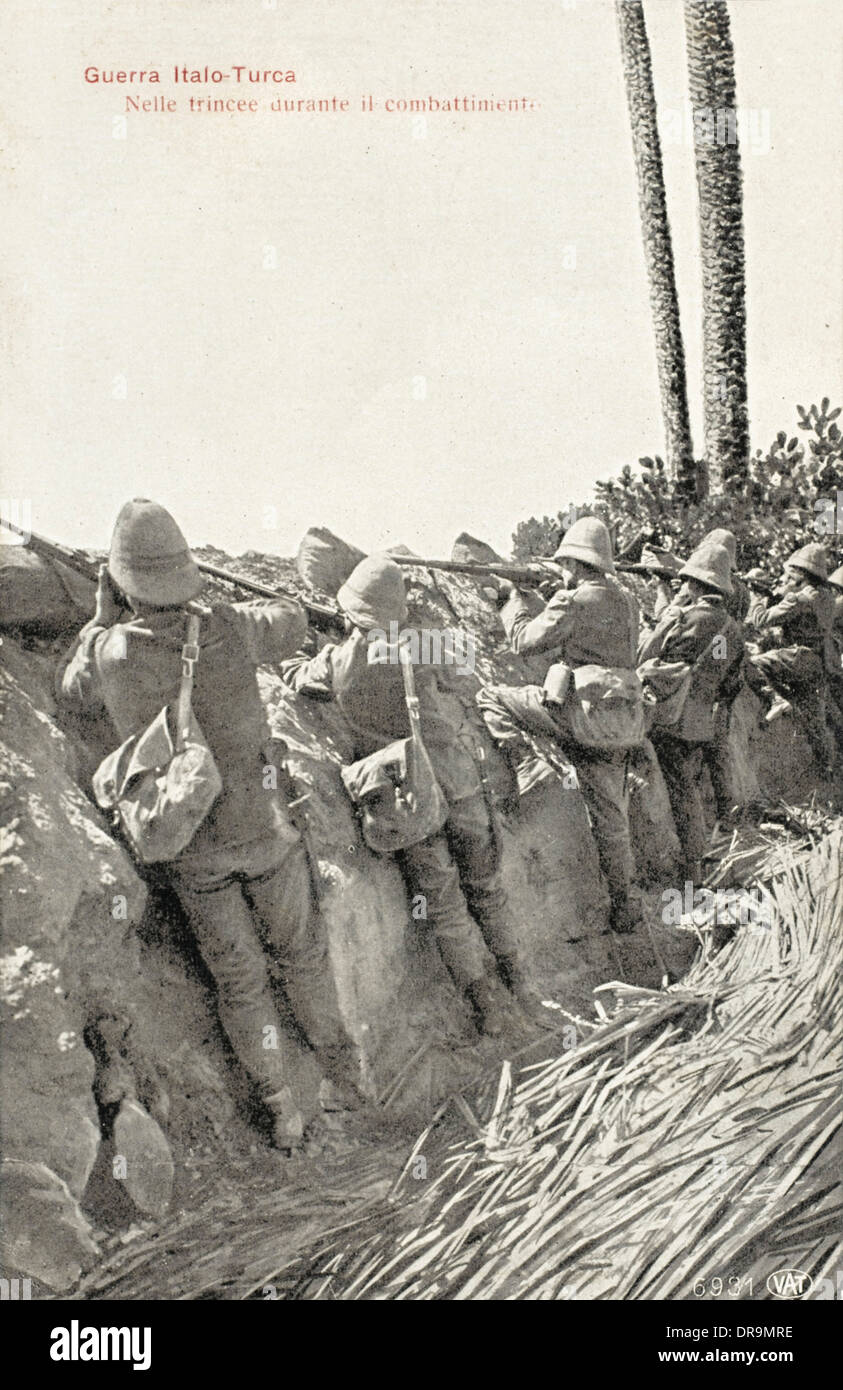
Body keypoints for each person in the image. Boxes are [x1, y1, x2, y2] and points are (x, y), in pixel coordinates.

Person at [57, 499, 362, 1152]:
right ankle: (343, 1071)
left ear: (123, 582)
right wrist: (212, 598)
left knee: (239, 981)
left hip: (189, 846)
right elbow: (290, 620)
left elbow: (71, 690)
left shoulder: (110, 654)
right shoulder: (226, 624)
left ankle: (281, 1109)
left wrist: (102, 616)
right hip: (266, 827)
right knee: (301, 956)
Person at [279, 554, 535, 1038]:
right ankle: (518, 981)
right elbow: (463, 674)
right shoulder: (425, 642)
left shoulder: (344, 658)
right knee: (486, 887)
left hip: (408, 796)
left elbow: (301, 677)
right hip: (458, 783)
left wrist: (309, 648)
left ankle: (488, 1007)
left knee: (443, 904)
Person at [476, 516, 643, 935]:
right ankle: (625, 908)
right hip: (620, 724)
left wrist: (513, 599)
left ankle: (525, 763)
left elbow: (524, 641)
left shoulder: (571, 602)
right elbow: (596, 629)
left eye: (565, 564)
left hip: (578, 718)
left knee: (490, 697)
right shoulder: (626, 602)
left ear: (573, 562)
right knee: (612, 822)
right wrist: (555, 595)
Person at [638, 542, 744, 882]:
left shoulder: (686, 616)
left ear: (696, 585)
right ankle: (695, 861)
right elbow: (730, 681)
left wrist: (669, 611)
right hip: (700, 722)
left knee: (675, 789)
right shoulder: (732, 630)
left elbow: (644, 653)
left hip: (669, 718)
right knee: (687, 790)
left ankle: (688, 868)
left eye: (686, 582)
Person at [744, 542, 836, 771]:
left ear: (801, 576)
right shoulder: (826, 597)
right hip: (818, 662)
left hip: (798, 657)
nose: (787, 579)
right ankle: (828, 770)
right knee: (815, 723)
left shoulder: (800, 599)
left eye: (790, 576)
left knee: (754, 664)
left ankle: (776, 699)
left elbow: (761, 621)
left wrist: (758, 596)